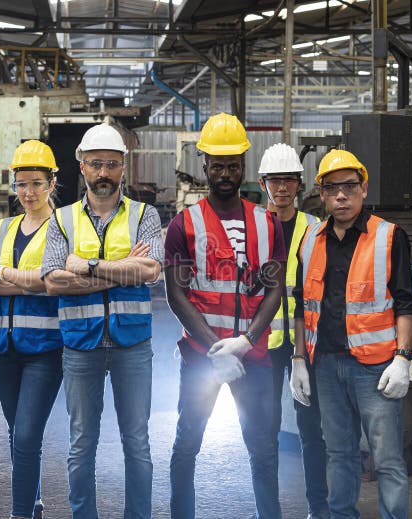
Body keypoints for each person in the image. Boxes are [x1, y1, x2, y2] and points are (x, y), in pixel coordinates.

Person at [165, 113, 286, 519]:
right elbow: (176, 294)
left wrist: (247, 340)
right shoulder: (184, 224)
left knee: (263, 447)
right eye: (217, 164)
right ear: (204, 165)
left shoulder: (267, 223)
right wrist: (216, 351)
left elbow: (274, 290)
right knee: (186, 445)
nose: (225, 173)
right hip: (202, 357)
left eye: (233, 164)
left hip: (252, 357)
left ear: (243, 167)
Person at [41, 123, 163, 518]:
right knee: (81, 443)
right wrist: (123, 268)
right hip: (81, 342)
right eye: (95, 164)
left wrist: (88, 265)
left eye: (111, 164)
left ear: (123, 168)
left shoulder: (146, 214)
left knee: (137, 441)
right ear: (82, 167)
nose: (103, 173)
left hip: (132, 344)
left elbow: (150, 272)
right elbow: (53, 280)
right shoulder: (62, 219)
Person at [290, 149, 412, 519]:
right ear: (322, 194)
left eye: (349, 187)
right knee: (339, 452)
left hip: (375, 367)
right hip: (326, 364)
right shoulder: (310, 240)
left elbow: (406, 303)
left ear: (364, 188)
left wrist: (403, 358)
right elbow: (302, 305)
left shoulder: (389, 236)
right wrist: (300, 359)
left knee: (388, 458)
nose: (341, 196)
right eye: (332, 189)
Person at [0, 140, 62, 519]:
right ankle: (36, 502)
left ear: (52, 183)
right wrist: (22, 279)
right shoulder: (5, 226)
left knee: (27, 436)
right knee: (17, 434)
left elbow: (51, 282)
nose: (28, 192)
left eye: (37, 183)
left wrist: (4, 274)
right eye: (21, 183)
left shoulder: (64, 226)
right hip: (4, 347)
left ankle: (20, 513)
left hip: (45, 347)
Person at [257, 143, 329, 519]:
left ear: (299, 184)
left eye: (288, 180)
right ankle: (267, 511)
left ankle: (318, 509)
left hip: (306, 344)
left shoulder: (314, 229)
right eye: (274, 180)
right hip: (262, 343)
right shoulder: (251, 226)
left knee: (311, 432)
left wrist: (304, 353)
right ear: (262, 182)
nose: (281, 188)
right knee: (263, 433)